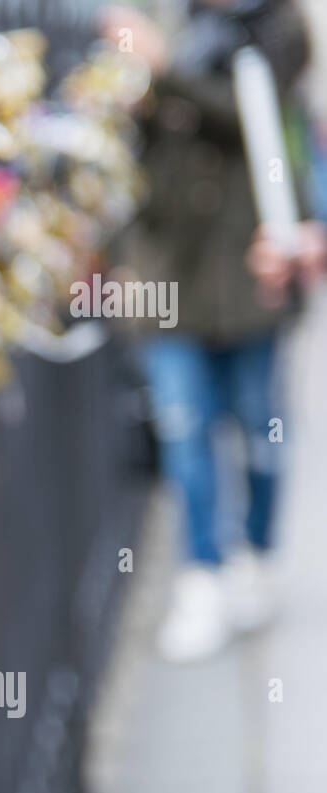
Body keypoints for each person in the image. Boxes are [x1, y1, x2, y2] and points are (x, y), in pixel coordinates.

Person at [102, 0, 325, 662]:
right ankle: (203, 572)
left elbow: (249, 113)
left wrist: (163, 66)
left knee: (260, 425)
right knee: (185, 428)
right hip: (169, 273)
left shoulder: (277, 26)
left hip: (249, 270)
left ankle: (256, 553)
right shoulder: (170, 20)